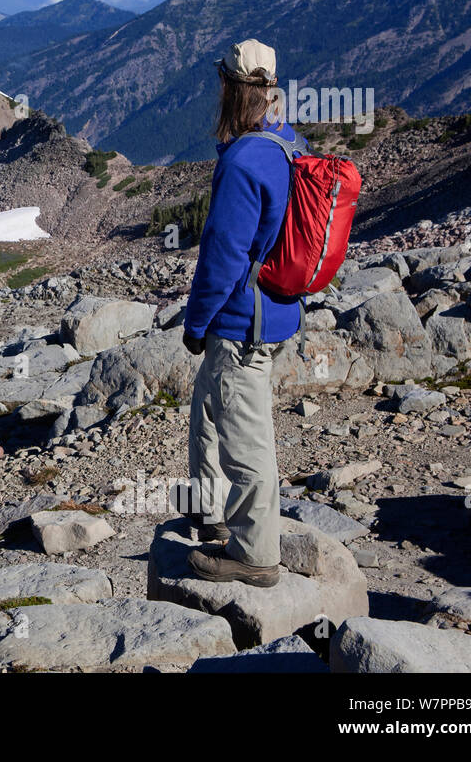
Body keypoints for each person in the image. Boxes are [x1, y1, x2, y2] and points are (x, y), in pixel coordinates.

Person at [177, 38, 304, 588]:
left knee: (247, 439)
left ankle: (255, 556)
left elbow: (223, 253)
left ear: (229, 85)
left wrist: (196, 322)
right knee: (208, 412)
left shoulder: (244, 160)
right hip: (273, 312)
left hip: (239, 323)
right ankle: (209, 515)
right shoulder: (285, 143)